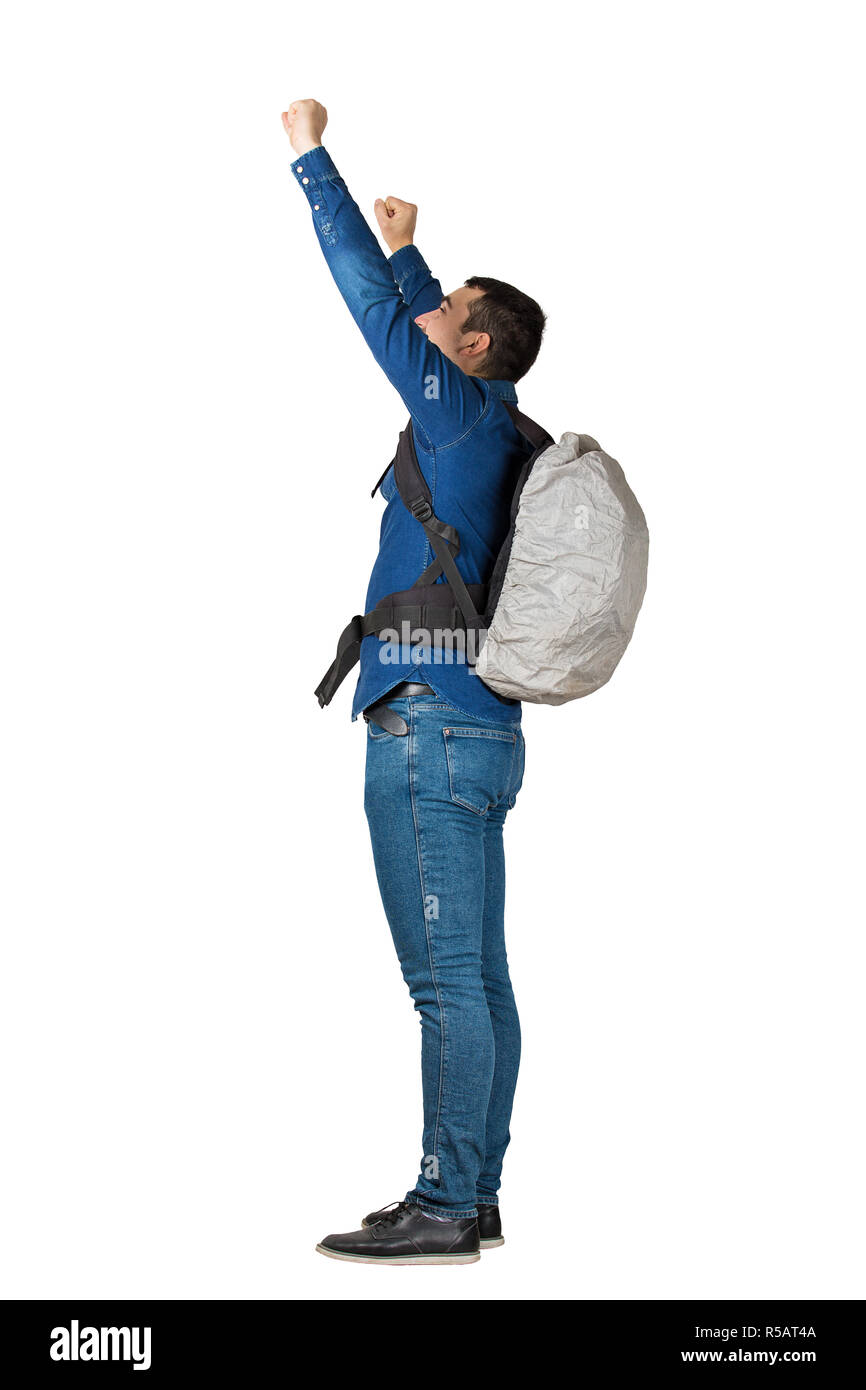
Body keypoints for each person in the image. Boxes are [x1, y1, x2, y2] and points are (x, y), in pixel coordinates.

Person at [283, 99, 547, 1265]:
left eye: (447, 314)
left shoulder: (454, 416)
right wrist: (410, 248)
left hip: (425, 726)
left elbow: (375, 311)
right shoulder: (491, 423)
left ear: (474, 346)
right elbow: (418, 314)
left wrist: (311, 159)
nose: (425, 319)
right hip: (479, 730)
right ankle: (476, 1193)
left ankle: (441, 1200)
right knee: (476, 977)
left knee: (445, 985)